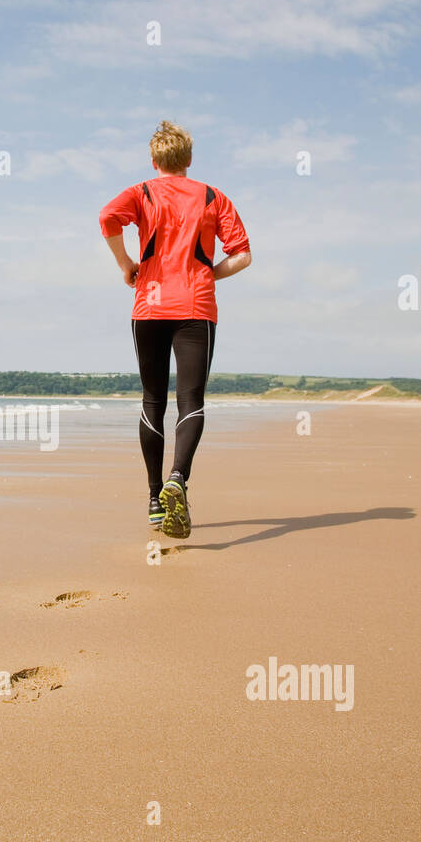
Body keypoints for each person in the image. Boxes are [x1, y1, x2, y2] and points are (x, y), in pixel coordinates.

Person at [99, 121, 252, 539]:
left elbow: (107, 218)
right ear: (188, 160)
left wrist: (125, 264)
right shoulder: (211, 196)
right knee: (191, 402)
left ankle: (153, 500)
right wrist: (206, 275)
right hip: (196, 308)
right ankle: (177, 479)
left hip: (148, 306)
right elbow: (242, 256)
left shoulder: (141, 193)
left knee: (153, 399)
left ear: (154, 161)